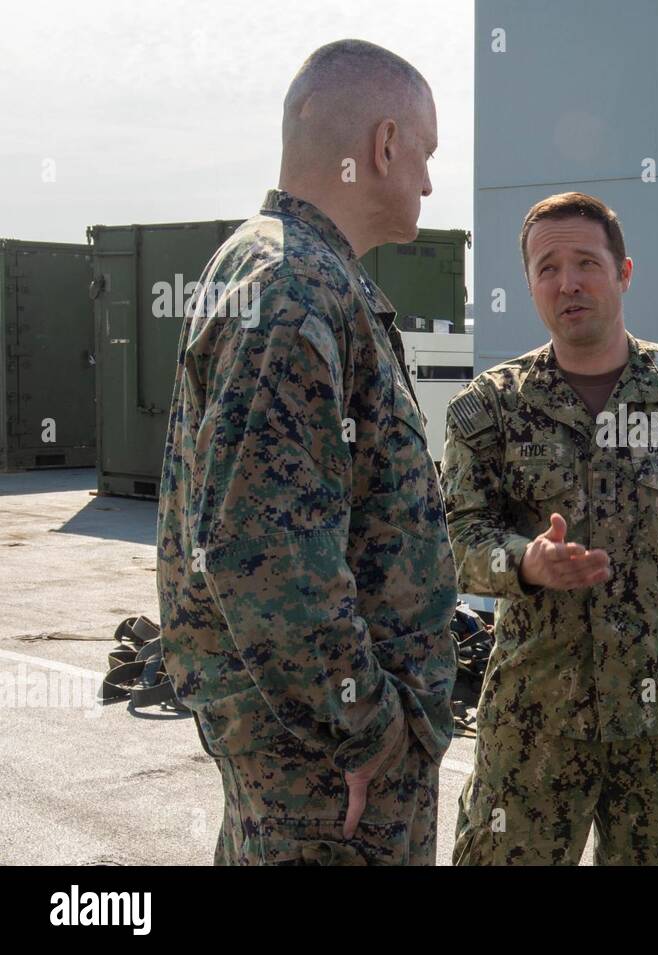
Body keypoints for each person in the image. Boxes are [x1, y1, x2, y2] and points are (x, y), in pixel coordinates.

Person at [156, 39, 456, 865]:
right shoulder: (292, 288)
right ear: (385, 145)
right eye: (425, 154)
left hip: (309, 758)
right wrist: (361, 728)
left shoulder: (292, 271)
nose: (429, 182)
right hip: (326, 778)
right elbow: (265, 548)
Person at [442, 191, 658, 864]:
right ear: (529, 283)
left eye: (586, 262)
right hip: (534, 721)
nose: (568, 282)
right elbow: (459, 538)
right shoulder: (490, 407)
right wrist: (524, 563)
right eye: (547, 267)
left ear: (624, 272)